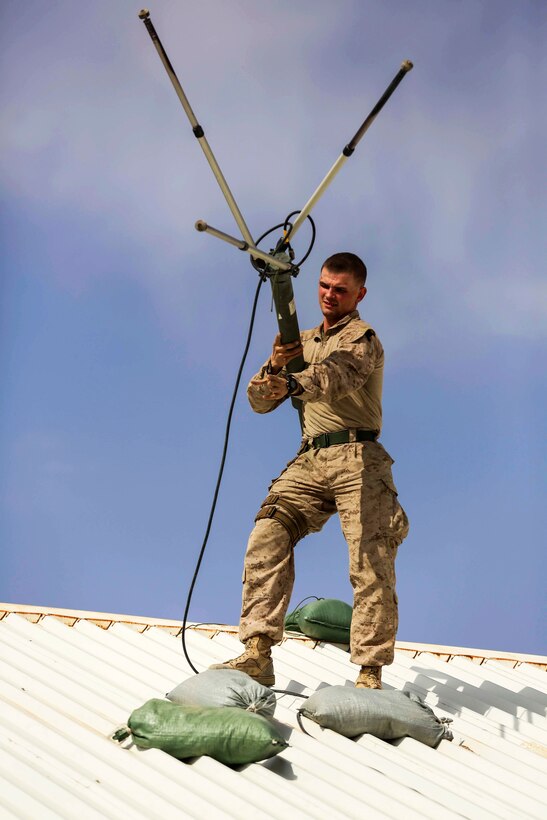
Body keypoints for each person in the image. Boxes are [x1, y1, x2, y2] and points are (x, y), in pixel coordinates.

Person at [212, 252, 409, 689]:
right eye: (324, 286)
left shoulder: (362, 339)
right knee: (269, 532)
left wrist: (294, 380)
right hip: (311, 457)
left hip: (358, 458)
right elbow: (259, 401)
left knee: (370, 559)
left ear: (359, 294)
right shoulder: (298, 342)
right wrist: (275, 367)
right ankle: (257, 651)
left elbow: (338, 376)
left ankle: (370, 671)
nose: (329, 295)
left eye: (340, 290)